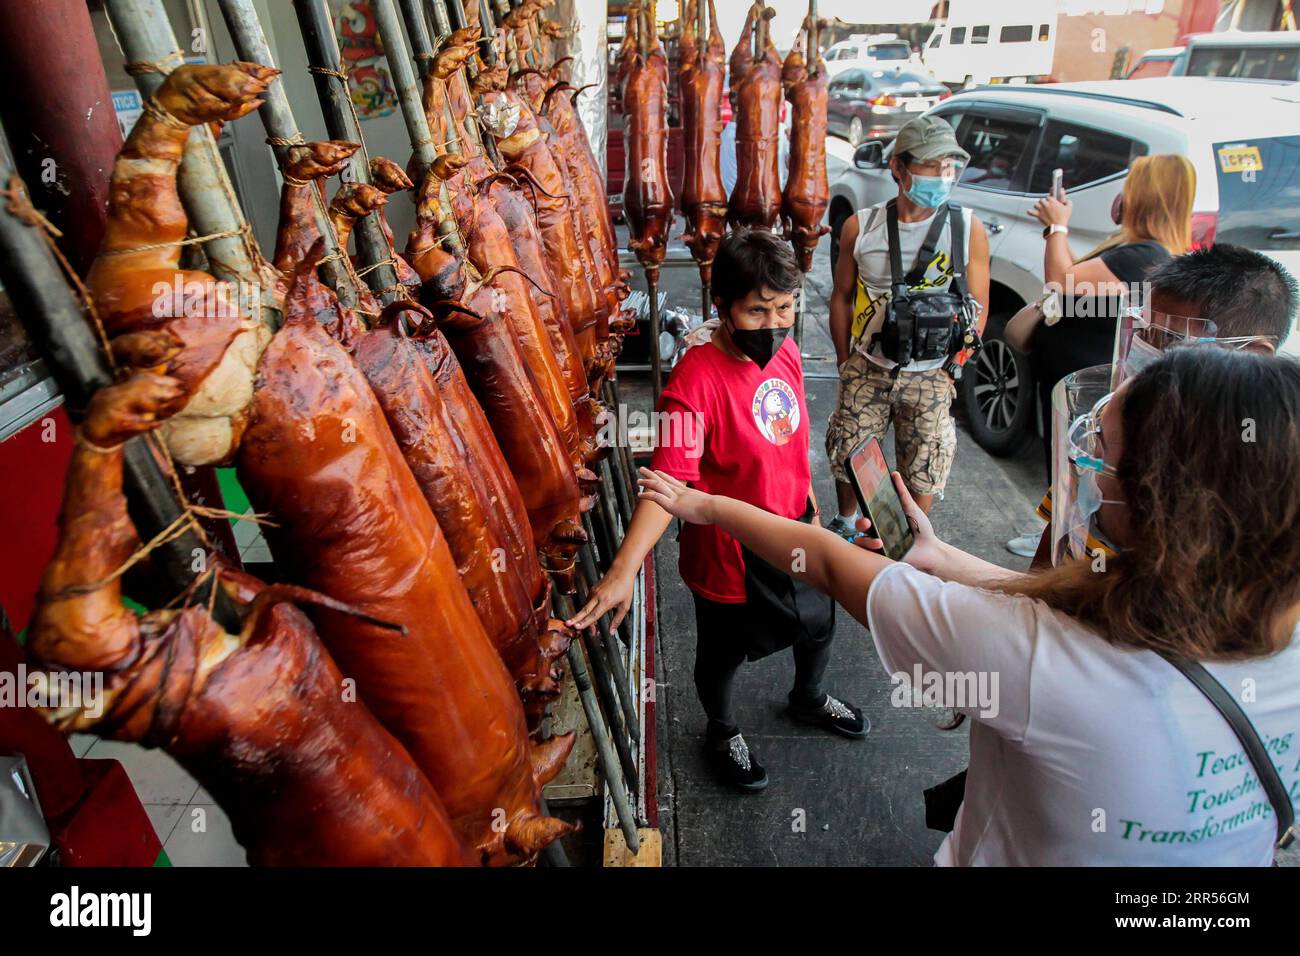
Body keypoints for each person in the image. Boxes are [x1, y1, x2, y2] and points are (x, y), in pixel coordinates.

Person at [637, 347, 1300, 865]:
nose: (1087, 468)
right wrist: (943, 558)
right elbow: (1071, 612)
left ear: (1165, 506)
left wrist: (705, 506)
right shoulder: (1275, 619)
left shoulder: (1035, 660)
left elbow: (835, 566)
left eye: (1103, 457)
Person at [567, 229, 866, 794]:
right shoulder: (694, 380)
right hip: (730, 553)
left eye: (784, 307)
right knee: (723, 652)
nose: (774, 323)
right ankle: (721, 730)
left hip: (796, 529)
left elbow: (790, 443)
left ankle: (806, 698)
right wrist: (625, 569)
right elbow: (669, 481)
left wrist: (812, 506)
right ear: (722, 306)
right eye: (757, 310)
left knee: (820, 627)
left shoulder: (788, 353)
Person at [1020, 242, 1298, 565]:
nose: (1147, 353)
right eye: (1143, 334)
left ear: (1254, 356)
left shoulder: (1258, 491)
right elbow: (1046, 566)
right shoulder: (1109, 433)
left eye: (1168, 341)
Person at [1003, 153, 1196, 556]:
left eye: (1128, 189)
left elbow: (1061, 280)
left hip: (1083, 382)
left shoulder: (1141, 255)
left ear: (1144, 197)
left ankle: (1064, 545)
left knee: (1078, 468)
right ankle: (1059, 536)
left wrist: (1056, 225)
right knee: (1073, 467)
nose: (1119, 197)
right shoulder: (1141, 252)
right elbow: (1078, 281)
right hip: (1077, 374)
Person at [825, 115, 990, 538]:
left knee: (926, 461)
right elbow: (841, 297)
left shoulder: (967, 228)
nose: (942, 176)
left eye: (949, 166)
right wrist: (847, 363)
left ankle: (915, 540)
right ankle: (847, 523)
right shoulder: (860, 227)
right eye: (931, 165)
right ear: (898, 168)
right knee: (850, 446)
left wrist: (954, 367)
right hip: (869, 364)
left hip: (933, 373)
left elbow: (978, 307)